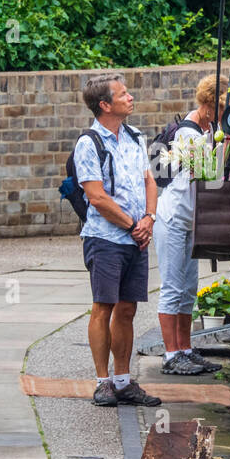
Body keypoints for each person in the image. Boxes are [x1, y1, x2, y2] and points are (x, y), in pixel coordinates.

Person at [75, 74, 161, 407]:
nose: (130, 97)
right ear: (105, 105)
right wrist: (131, 226)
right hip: (106, 238)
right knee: (103, 307)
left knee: (127, 310)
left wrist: (148, 219)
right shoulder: (89, 143)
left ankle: (124, 381)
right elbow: (96, 197)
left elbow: (148, 181)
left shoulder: (135, 138)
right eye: (123, 94)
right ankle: (103, 382)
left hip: (135, 238)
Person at [155, 74, 226, 376]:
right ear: (209, 107)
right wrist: (224, 147)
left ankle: (185, 348)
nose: (227, 113)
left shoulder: (210, 128)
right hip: (173, 218)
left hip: (190, 221)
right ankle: (171, 355)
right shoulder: (189, 133)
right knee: (172, 288)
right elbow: (209, 177)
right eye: (223, 108)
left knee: (188, 289)